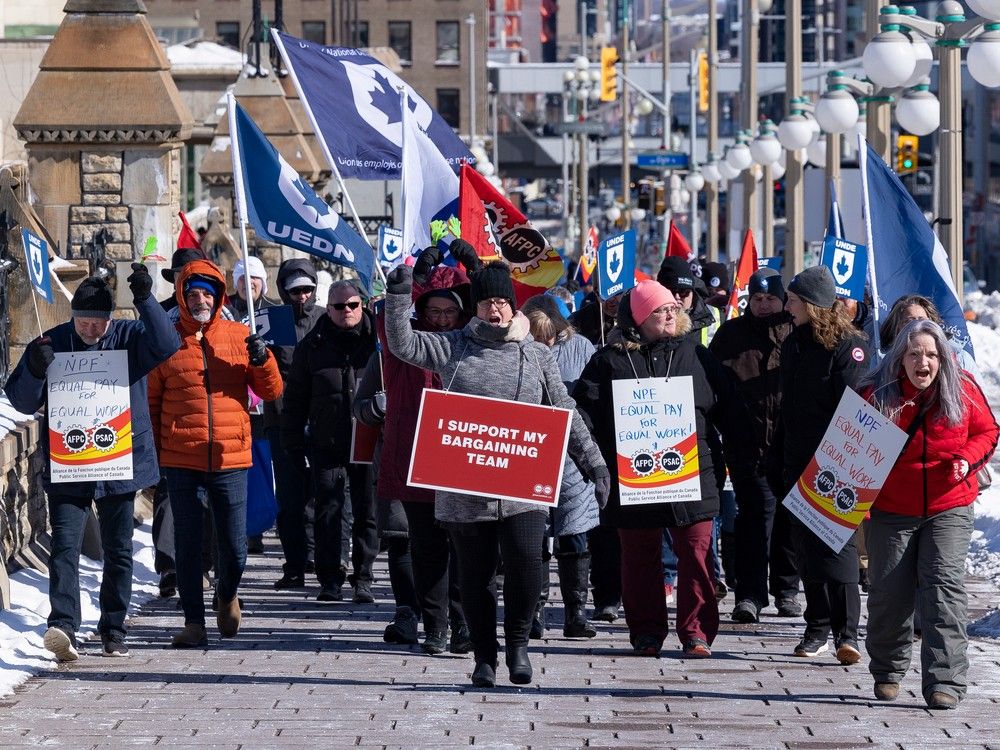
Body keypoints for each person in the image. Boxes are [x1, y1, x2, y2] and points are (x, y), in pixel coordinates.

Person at [383, 261, 609, 688]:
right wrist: (397, 298)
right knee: (476, 575)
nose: (495, 310)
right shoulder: (452, 346)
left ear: (513, 306)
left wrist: (593, 462)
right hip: (465, 487)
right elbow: (403, 345)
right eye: (487, 301)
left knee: (526, 564)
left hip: (523, 484)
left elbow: (564, 411)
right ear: (476, 307)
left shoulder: (536, 354)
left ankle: (518, 645)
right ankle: (484, 657)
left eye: (503, 301)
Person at [5, 267, 179, 660]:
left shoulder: (129, 337)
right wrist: (34, 366)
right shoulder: (52, 342)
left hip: (119, 463)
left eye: (98, 323)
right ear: (73, 317)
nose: (91, 331)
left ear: (109, 320)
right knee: (65, 546)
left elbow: (168, 344)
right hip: (70, 465)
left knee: (118, 550)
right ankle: (63, 625)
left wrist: (146, 301)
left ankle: (113, 628)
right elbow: (20, 400)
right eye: (84, 322)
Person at [574, 280, 755, 658]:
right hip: (633, 476)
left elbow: (731, 410)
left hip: (694, 472)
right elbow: (584, 415)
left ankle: (697, 632)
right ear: (639, 317)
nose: (671, 314)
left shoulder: (697, 354)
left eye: (673, 308)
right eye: (661, 310)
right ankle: (646, 632)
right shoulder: (610, 360)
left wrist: (742, 456)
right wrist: (595, 461)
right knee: (639, 556)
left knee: (697, 550)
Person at [860, 319, 998, 709]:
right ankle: (887, 669)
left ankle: (946, 681)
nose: (924, 362)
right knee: (889, 593)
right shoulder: (875, 394)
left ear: (943, 359)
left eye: (932, 355)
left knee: (943, 589)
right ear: (900, 358)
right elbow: (848, 447)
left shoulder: (964, 389)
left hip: (948, 505)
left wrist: (965, 460)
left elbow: (988, 432)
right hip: (891, 509)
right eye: (916, 353)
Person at [148, 259, 283, 648]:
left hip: (230, 457)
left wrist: (263, 359)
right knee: (187, 545)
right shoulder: (168, 340)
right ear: (182, 298)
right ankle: (193, 622)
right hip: (181, 457)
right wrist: (159, 455)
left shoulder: (240, 336)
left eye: (207, 294)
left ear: (219, 297)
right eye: (193, 294)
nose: (200, 300)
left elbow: (271, 392)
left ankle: (226, 594)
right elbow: (153, 401)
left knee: (235, 546)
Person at [354, 245, 477, 654]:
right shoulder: (406, 348)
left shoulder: (471, 345)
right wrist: (415, 283)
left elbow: (492, 314)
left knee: (464, 548)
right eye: (434, 310)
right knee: (425, 547)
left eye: (449, 312)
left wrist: (474, 272)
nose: (441, 318)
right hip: (416, 456)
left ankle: (462, 623)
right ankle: (435, 625)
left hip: (462, 457)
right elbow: (390, 326)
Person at [772, 265, 869, 664]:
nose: (786, 306)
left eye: (792, 300)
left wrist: (834, 460)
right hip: (795, 459)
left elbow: (854, 410)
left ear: (811, 304)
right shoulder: (794, 343)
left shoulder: (850, 347)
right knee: (807, 549)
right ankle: (817, 628)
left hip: (835, 467)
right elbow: (788, 406)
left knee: (839, 547)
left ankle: (848, 633)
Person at [709, 268, 800, 622]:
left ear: (782, 299)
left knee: (788, 519)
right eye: (757, 299)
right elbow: (712, 386)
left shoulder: (797, 333)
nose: (764, 305)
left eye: (770, 299)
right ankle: (749, 594)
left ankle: (787, 590)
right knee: (755, 518)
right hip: (747, 448)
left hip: (790, 446)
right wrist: (728, 425)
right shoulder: (731, 335)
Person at [282, 280, 378, 603]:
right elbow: (295, 398)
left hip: (368, 439)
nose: (346, 311)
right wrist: (293, 442)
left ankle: (363, 576)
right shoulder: (312, 345)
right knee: (328, 509)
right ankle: (330, 578)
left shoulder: (377, 340)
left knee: (367, 509)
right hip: (328, 440)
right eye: (339, 306)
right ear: (329, 308)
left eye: (352, 305)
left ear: (362, 305)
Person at [521, 294, 600, 639]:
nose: (544, 342)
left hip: (573, 454)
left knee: (575, 532)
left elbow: (596, 393)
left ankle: (575, 613)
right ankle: (533, 613)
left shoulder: (581, 348)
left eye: (549, 334)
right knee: (533, 535)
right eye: (537, 335)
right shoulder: (516, 349)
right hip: (531, 450)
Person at [267, 259, 325, 589]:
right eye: (294, 291)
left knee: (320, 494)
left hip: (320, 419)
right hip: (284, 419)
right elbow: (268, 372)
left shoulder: (324, 319)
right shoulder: (275, 322)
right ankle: (294, 564)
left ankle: (321, 556)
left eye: (307, 289)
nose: (301, 296)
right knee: (290, 496)